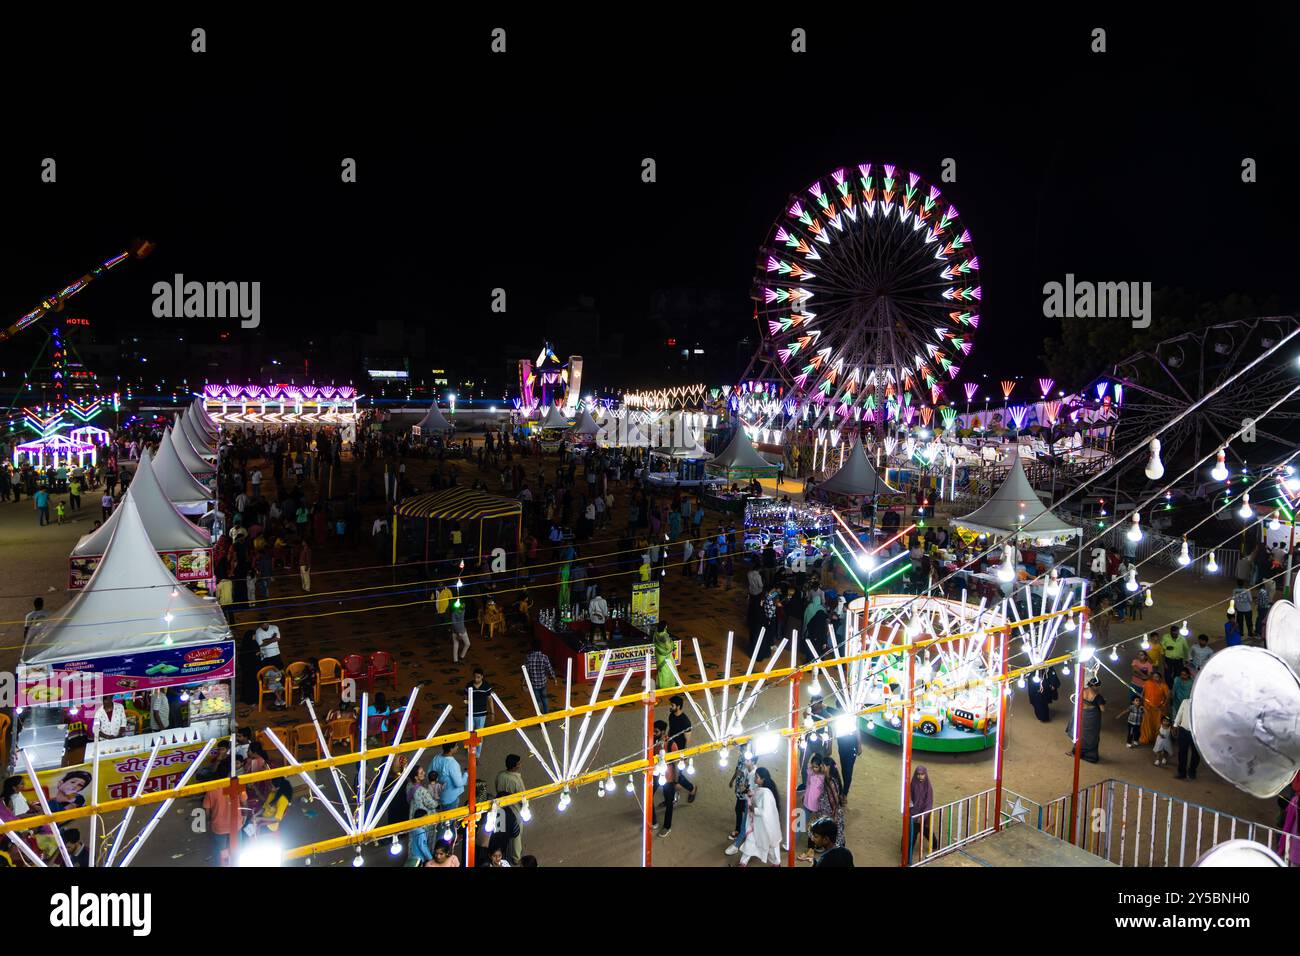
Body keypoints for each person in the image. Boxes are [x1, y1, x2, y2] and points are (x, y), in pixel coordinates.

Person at [734, 766, 782, 867]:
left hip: (765, 827)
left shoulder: (766, 794)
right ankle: (742, 863)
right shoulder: (761, 789)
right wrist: (749, 794)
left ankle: (776, 864)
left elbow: (766, 812)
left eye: (757, 777)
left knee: (771, 848)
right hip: (756, 825)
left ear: (763, 779)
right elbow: (754, 796)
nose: (755, 779)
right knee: (750, 842)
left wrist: (753, 809)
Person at [665, 695, 697, 803]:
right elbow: (671, 729)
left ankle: (692, 789)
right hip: (671, 747)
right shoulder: (671, 715)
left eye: (672, 705)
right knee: (671, 772)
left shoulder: (685, 721)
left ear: (678, 706)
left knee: (678, 775)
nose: (670, 706)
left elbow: (687, 739)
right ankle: (676, 787)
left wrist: (685, 755)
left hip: (680, 751)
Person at [464, 667, 495, 756]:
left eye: (478, 677)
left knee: (479, 735)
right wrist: (466, 701)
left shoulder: (486, 686)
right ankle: (469, 751)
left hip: (481, 714)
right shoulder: (468, 685)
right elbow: (465, 697)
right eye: (474, 677)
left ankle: (477, 754)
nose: (476, 679)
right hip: (470, 714)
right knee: (468, 733)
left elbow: (490, 699)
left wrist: (492, 712)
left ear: (482, 677)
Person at [428, 742, 467, 811]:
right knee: (450, 819)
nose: (458, 747)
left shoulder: (436, 758)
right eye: (456, 745)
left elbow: (429, 773)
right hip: (450, 798)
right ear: (451, 749)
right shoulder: (452, 764)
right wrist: (466, 774)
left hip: (439, 795)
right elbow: (459, 783)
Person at [907, 765, 934, 860]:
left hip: (923, 817)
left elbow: (929, 804)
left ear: (925, 775)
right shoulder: (913, 783)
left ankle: (935, 845)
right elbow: (909, 797)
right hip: (914, 815)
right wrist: (911, 810)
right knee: (911, 835)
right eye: (918, 774)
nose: (920, 777)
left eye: (922, 774)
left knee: (927, 832)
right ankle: (906, 855)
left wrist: (922, 816)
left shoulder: (928, 787)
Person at [524, 643, 557, 713]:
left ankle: (540, 719)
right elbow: (549, 669)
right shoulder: (544, 657)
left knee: (538, 701)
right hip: (543, 683)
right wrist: (554, 679)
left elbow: (526, 671)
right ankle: (547, 719)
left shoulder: (529, 658)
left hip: (534, 684)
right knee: (545, 700)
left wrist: (524, 682)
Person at [1139, 671, 1169, 745]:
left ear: (1160, 678)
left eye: (1157, 677)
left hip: (1158, 709)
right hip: (1148, 707)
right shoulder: (1147, 683)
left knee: (1157, 724)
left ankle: (1157, 738)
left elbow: (1167, 697)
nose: (1155, 678)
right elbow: (1142, 693)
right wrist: (1141, 703)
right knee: (1146, 723)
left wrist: (1163, 705)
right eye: (1154, 677)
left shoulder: (1164, 686)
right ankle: (1146, 738)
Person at [653, 621, 676, 689]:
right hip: (666, 655)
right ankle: (666, 685)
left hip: (659, 654)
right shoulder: (664, 636)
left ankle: (660, 684)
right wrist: (672, 645)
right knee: (667, 670)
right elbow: (668, 647)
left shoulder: (656, 633)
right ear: (665, 626)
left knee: (661, 670)